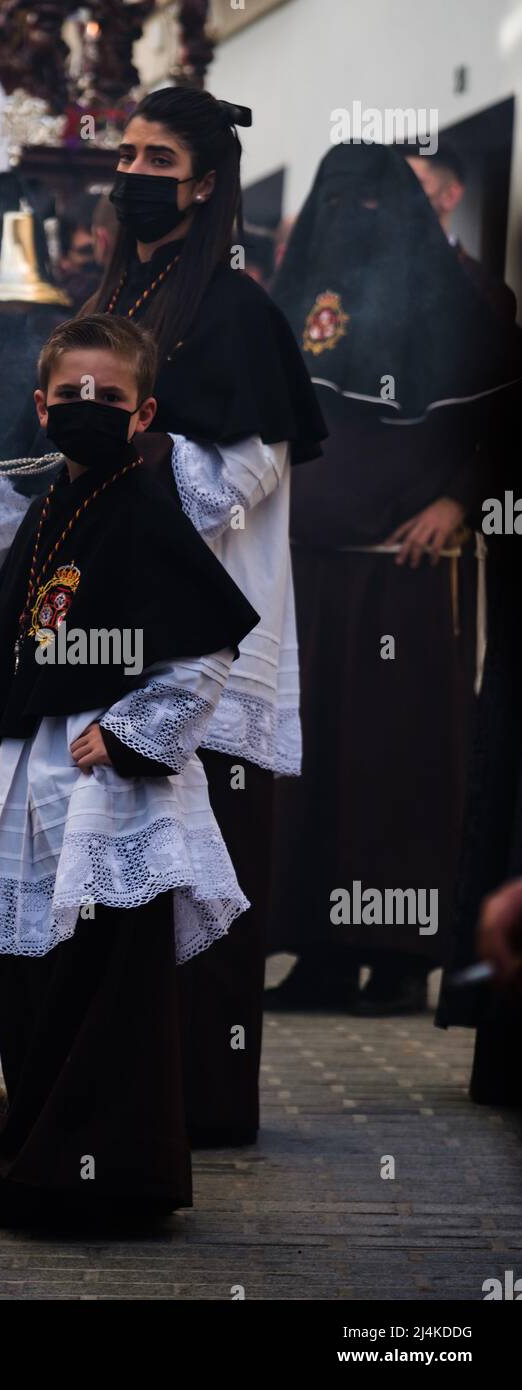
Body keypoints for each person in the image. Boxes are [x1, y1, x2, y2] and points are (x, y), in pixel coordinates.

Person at [0, 87, 327, 1149]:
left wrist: (117, 452)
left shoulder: (236, 310)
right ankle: (97, 1092)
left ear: (204, 181)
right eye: (123, 152)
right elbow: (61, 471)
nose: (131, 171)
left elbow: (240, 472)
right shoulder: (115, 292)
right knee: (100, 898)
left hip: (198, 640)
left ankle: (201, 1108)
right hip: (97, 642)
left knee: (190, 881)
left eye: (155, 156)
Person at [0, 313, 260, 1227]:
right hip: (32, 789)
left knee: (102, 993)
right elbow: (12, 656)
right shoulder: (50, 510)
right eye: (71, 396)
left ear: (143, 411)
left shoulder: (142, 505)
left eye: (108, 399)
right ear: (41, 407)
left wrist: (131, 735)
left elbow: (203, 653)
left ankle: (94, 1180)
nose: (87, 409)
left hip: (104, 797)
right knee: (34, 987)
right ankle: (23, 1156)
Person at [267, 142, 522, 1014]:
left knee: (397, 765)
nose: (351, 219)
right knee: (315, 765)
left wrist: (460, 499)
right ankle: (319, 949)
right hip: (310, 569)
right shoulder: (293, 298)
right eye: (335, 201)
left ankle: (402, 956)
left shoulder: (470, 303)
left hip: (407, 575)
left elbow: (505, 423)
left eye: (369, 203)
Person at [405, 144, 517, 323]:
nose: (399, 194)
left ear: (450, 195)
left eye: (415, 183)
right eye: (394, 184)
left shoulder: (483, 289)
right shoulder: (367, 267)